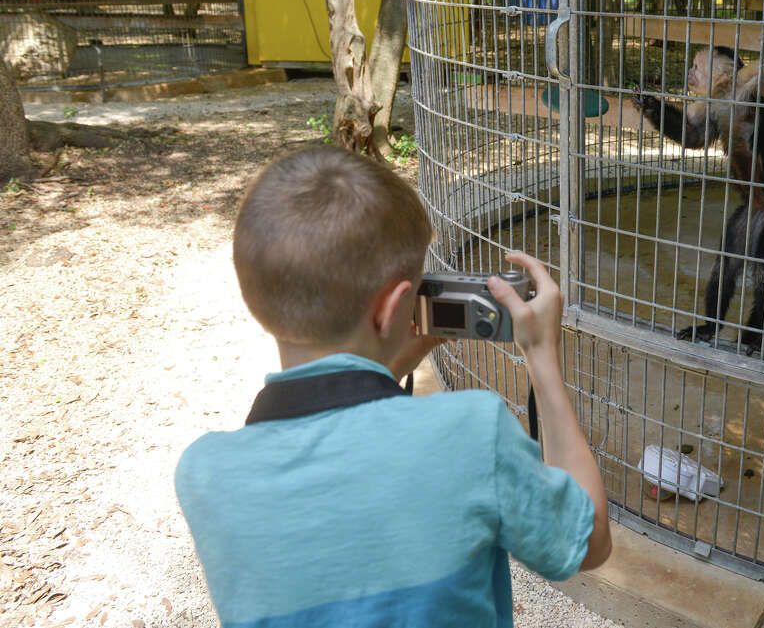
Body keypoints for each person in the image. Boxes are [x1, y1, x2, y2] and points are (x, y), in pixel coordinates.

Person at [175, 145, 611, 627]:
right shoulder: (471, 433)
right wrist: (542, 356)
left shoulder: (204, 473)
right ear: (394, 306)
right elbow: (588, 543)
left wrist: (388, 363)